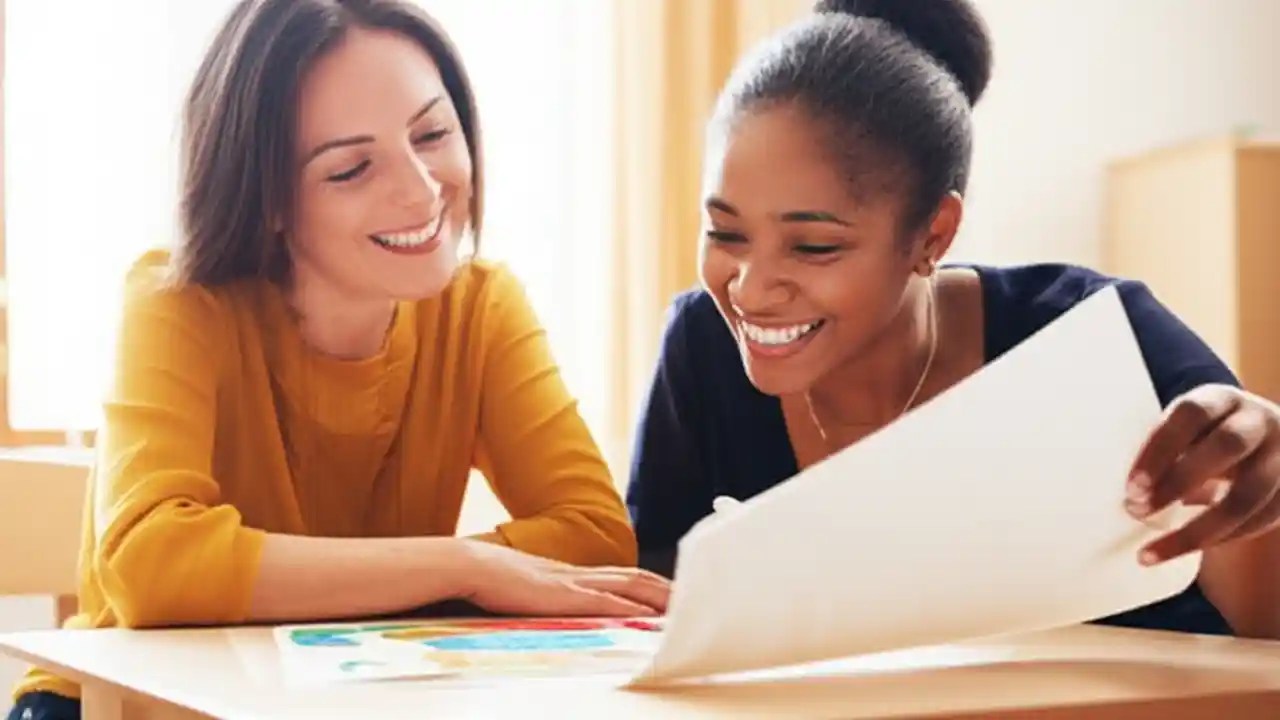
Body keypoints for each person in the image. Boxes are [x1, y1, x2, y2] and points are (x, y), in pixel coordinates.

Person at [9, 1, 669, 717]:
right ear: (267, 200)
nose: (421, 189)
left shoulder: (482, 307)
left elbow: (594, 536)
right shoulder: (177, 301)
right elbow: (151, 564)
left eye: (433, 133)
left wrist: (408, 581)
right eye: (352, 168)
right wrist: (462, 566)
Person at [627, 0, 1280, 642]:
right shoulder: (703, 344)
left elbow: (1262, 619)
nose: (752, 289)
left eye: (813, 246)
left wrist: (1265, 487)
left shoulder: (1093, 333)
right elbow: (648, 591)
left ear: (933, 236)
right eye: (725, 233)